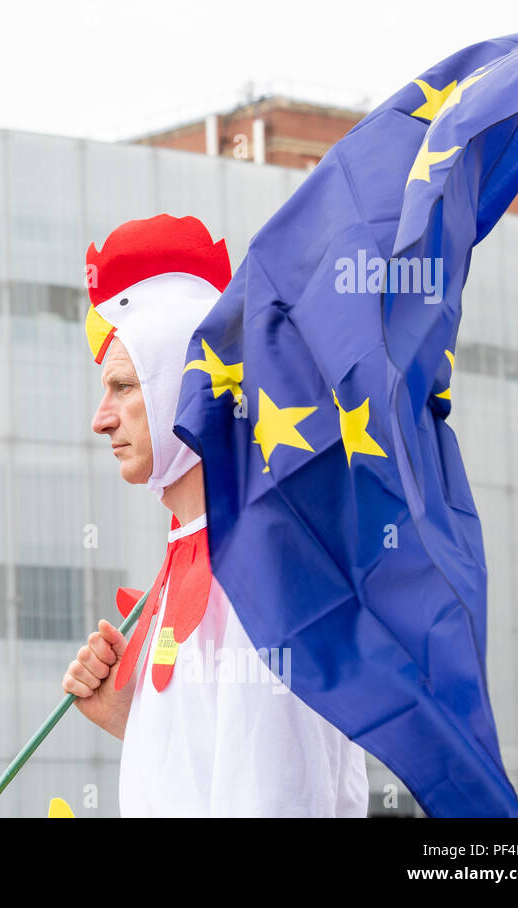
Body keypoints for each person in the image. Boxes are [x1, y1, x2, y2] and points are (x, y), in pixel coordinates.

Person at [63, 214, 369, 817]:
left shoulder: (266, 575)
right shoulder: (200, 558)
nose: (100, 419)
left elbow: (283, 804)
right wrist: (133, 719)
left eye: (124, 386)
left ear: (181, 388)